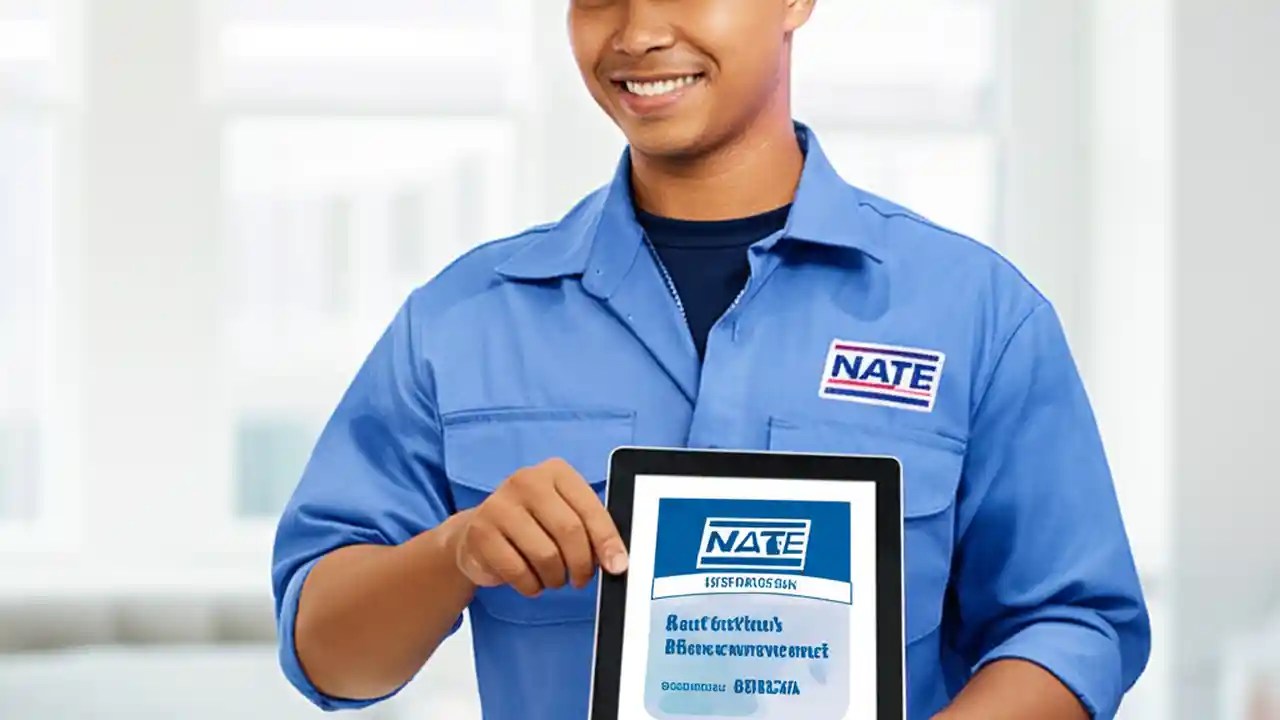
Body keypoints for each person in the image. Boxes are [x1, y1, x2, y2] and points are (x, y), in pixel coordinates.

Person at [271, 2, 1151, 719]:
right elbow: (329, 658)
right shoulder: (460, 322)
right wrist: (456, 550)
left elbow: (1073, 624)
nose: (638, 31)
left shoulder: (975, 315)